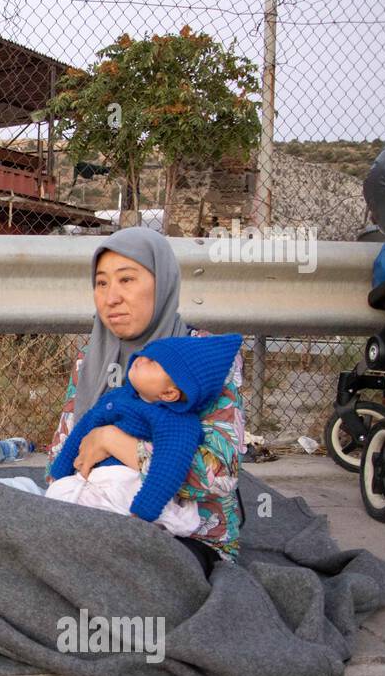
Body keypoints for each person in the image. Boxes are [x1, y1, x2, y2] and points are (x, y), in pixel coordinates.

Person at [46, 227, 246, 574]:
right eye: (102, 283)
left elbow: (219, 473)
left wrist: (114, 441)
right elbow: (61, 457)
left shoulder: (203, 356)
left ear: (162, 282)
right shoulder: (90, 358)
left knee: (128, 573)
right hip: (97, 517)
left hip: (188, 536)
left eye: (127, 280)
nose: (111, 298)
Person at [45, 332, 244, 539]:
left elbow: (168, 468)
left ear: (169, 393)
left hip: (128, 487)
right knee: (58, 497)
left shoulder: (176, 422)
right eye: (147, 353)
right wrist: (59, 472)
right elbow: (83, 428)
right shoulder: (117, 396)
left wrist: (142, 511)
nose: (142, 358)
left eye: (153, 362)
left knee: (89, 518)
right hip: (93, 479)